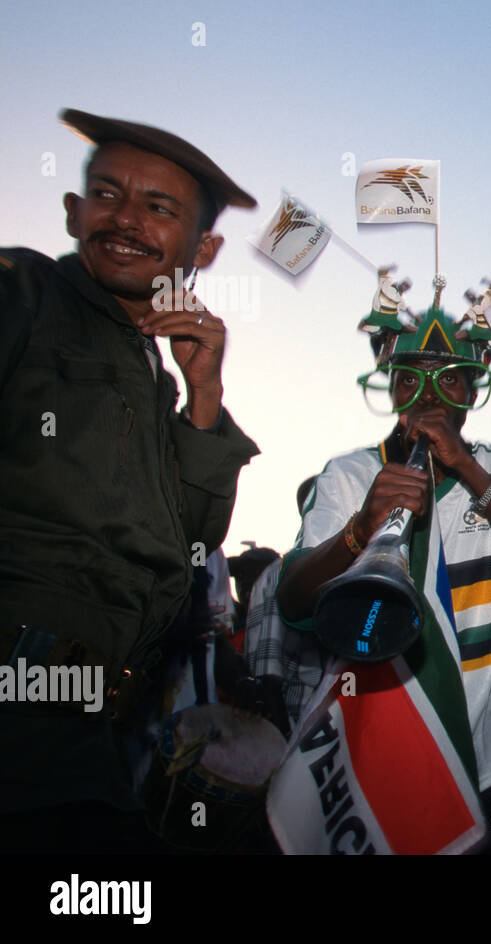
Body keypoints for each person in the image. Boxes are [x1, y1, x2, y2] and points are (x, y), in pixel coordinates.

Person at [0, 109, 260, 851]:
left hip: (93, 730)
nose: (125, 221)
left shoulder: (156, 367)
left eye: (158, 208)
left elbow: (191, 546)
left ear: (203, 249)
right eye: (108, 195)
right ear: (72, 211)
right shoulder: (21, 291)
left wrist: (204, 394)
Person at [276, 306, 491, 852]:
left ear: (472, 393)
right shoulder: (350, 473)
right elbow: (293, 602)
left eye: (447, 378)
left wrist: (469, 471)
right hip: (384, 753)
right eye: (411, 379)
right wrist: (359, 529)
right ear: (393, 391)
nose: (429, 395)